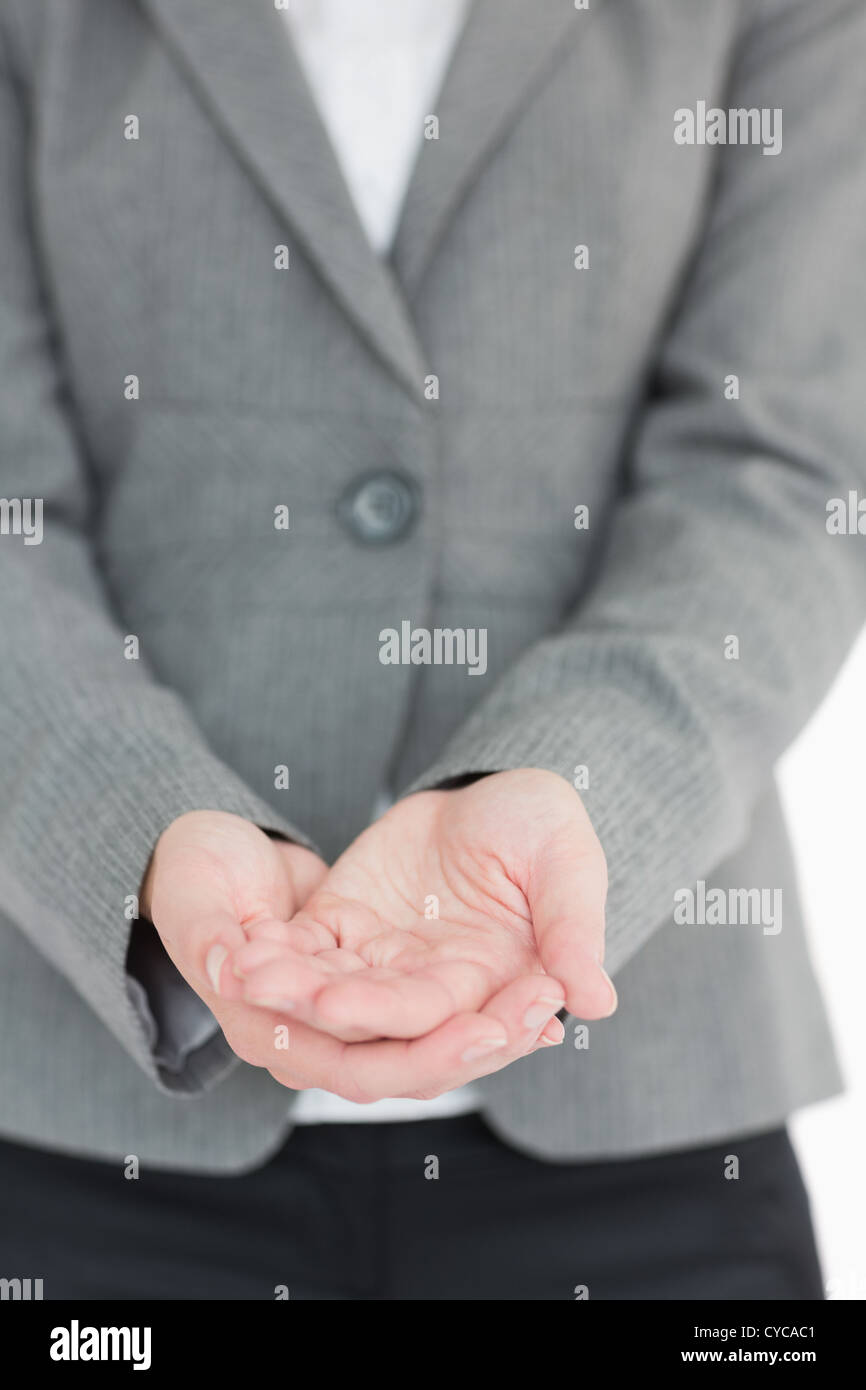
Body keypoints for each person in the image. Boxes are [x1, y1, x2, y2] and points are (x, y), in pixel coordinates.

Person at [0, 0, 863, 1301]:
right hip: (80, 1128)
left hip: (651, 1127)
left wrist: (567, 783)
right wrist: (141, 828)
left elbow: (787, 473)